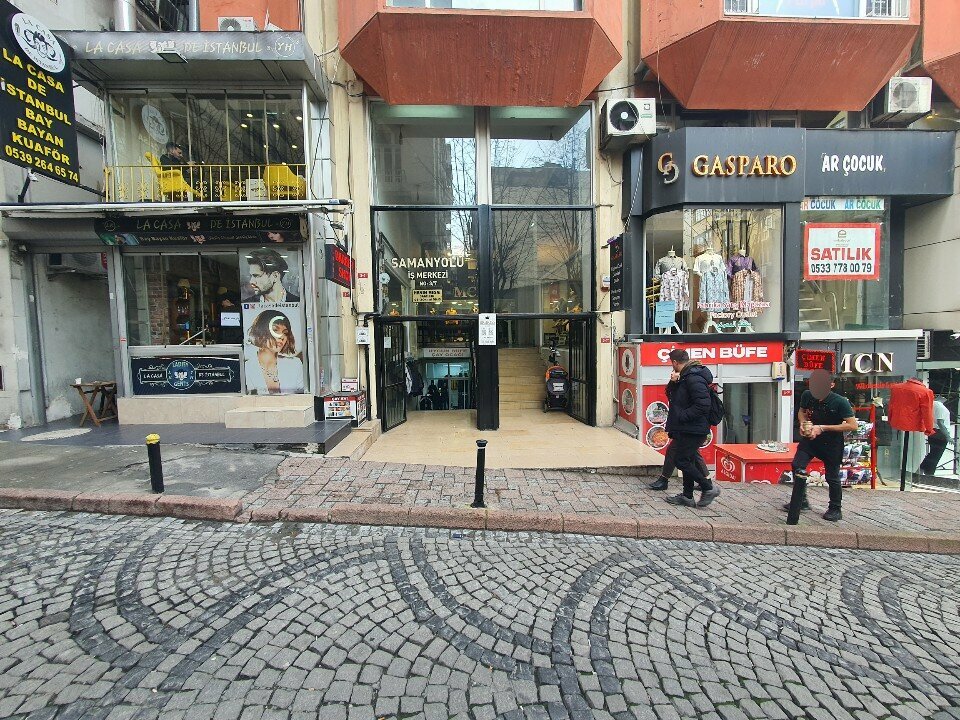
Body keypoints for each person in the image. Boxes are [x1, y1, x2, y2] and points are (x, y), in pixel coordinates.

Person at [786, 369, 858, 522]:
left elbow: (852, 425)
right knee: (797, 465)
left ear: (831, 385)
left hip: (831, 442)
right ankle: (801, 500)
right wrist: (803, 423)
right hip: (811, 440)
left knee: (832, 476)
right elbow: (802, 411)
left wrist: (822, 428)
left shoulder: (840, 402)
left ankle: (835, 508)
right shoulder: (807, 395)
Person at [662, 349, 721, 508]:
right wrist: (674, 382)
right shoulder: (685, 377)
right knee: (687, 460)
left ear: (675, 362)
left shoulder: (694, 378)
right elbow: (672, 396)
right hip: (687, 428)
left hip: (693, 428)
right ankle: (687, 496)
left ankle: (708, 488)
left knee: (681, 460)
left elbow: (703, 405)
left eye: (671, 363)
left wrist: (682, 416)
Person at [244, 311, 304, 394]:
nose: (282, 337)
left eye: (285, 333)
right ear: (261, 331)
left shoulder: (295, 364)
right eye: (275, 330)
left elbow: (303, 398)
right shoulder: (246, 368)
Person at [919, 396, 951, 476]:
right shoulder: (940, 407)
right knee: (936, 455)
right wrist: (948, 436)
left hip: (933, 431)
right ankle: (929, 473)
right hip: (940, 433)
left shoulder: (931, 405)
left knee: (933, 453)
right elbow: (940, 422)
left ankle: (922, 470)